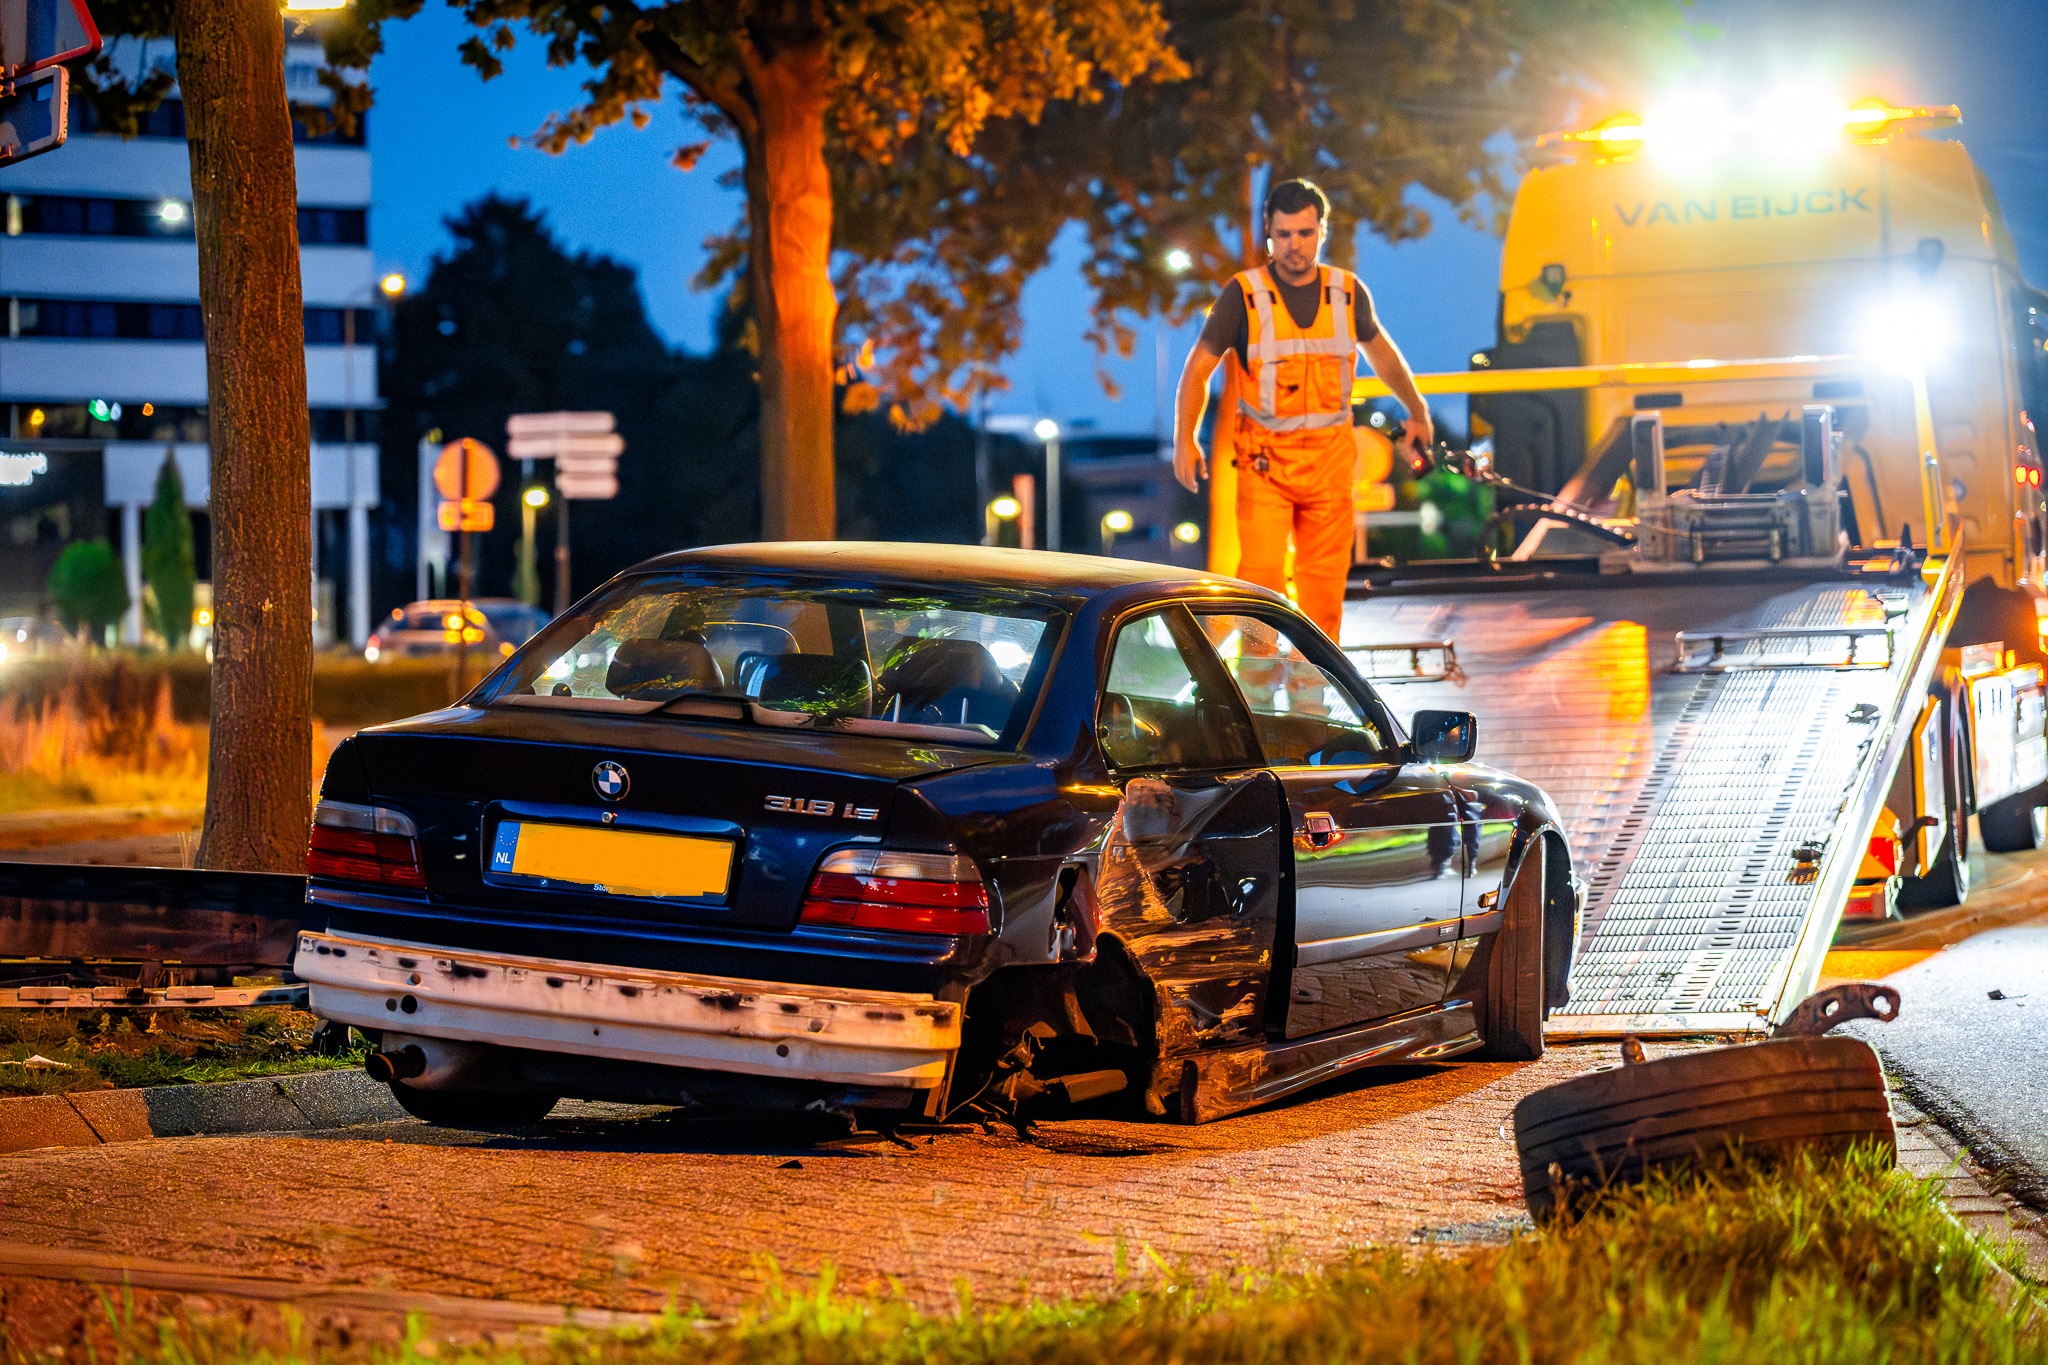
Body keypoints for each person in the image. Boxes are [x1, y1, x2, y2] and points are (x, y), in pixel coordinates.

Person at [1171, 178, 1433, 642]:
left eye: (1305, 233)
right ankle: (1259, 699)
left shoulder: (1347, 293)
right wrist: (1184, 440)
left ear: (1321, 232)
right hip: (1265, 466)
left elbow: (1383, 355)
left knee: (1324, 593)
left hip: (1329, 466)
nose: (1294, 246)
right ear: (1269, 234)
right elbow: (1197, 371)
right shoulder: (1243, 295)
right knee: (1260, 588)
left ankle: (1313, 700)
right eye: (1284, 234)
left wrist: (1417, 410)